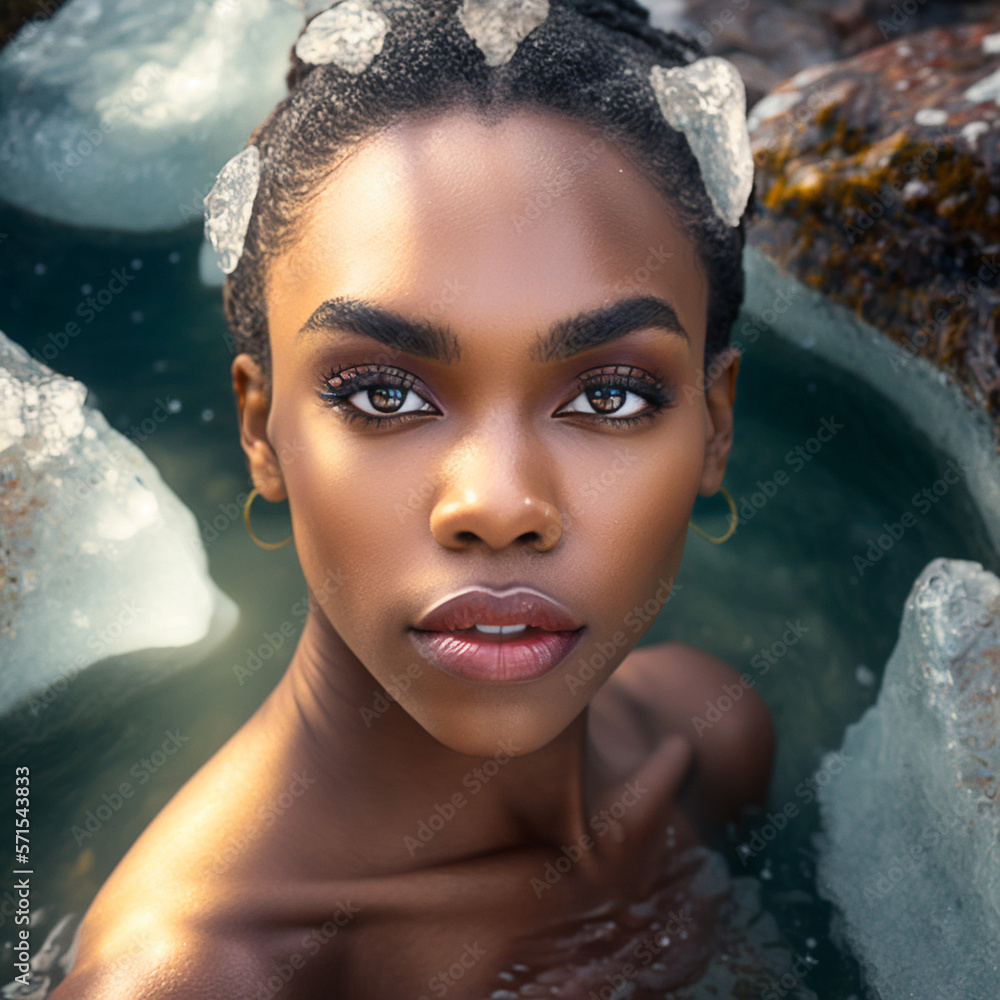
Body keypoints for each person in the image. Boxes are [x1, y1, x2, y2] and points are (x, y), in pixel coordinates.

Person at [50, 0, 773, 996]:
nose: (498, 502)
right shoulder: (201, 973)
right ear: (260, 431)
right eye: (384, 394)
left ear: (715, 425)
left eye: (609, 394)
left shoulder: (708, 735)